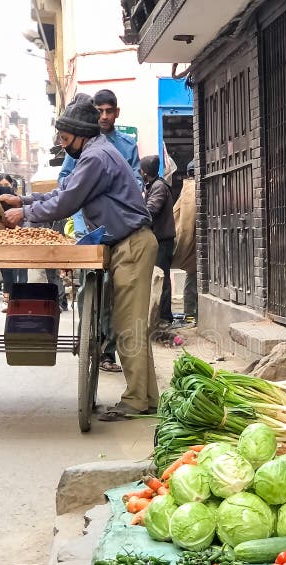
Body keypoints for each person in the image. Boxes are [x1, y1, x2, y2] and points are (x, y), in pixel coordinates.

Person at [0, 93, 157, 419]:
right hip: (125, 245)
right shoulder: (94, 153)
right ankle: (146, 398)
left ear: (81, 134)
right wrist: (24, 202)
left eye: (66, 138)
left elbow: (66, 203)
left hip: (133, 245)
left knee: (128, 326)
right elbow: (63, 191)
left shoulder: (95, 157)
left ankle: (137, 401)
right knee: (132, 325)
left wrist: (25, 215)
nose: (63, 143)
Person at [59, 88, 144, 371]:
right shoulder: (79, 141)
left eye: (110, 111)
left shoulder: (123, 145)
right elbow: (69, 184)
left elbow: (135, 181)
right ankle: (88, 340)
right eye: (101, 111)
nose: (105, 116)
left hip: (118, 226)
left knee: (112, 293)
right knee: (88, 287)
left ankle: (107, 351)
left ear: (116, 113)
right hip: (89, 226)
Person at [140, 154, 175, 328]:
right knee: (159, 277)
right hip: (159, 239)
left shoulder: (159, 187)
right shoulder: (153, 186)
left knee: (162, 278)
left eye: (141, 170)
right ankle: (161, 316)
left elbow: (151, 210)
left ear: (145, 173)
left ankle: (165, 317)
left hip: (163, 240)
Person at [0, 175, 28, 312]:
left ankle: (21, 298)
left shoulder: (17, 199)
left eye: (6, 184)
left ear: (11, 185)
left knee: (22, 269)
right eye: (1, 185)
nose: (4, 187)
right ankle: (7, 299)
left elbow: (26, 217)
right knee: (7, 269)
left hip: (20, 237)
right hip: (2, 238)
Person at [172, 159, 197, 322]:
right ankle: (191, 312)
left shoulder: (188, 190)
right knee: (193, 276)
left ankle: (191, 312)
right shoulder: (191, 190)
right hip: (199, 243)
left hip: (196, 243)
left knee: (192, 276)